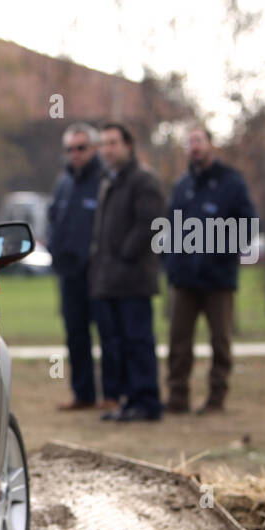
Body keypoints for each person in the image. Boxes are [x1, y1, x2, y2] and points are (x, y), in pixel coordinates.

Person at [163, 125, 258, 414]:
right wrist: (171, 261)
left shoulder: (231, 183)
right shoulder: (182, 185)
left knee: (220, 340)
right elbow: (170, 227)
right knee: (179, 341)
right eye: (189, 142)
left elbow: (249, 225)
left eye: (199, 140)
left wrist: (221, 255)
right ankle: (178, 397)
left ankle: (216, 398)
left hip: (218, 280)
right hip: (184, 280)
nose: (194, 146)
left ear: (210, 144)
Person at [88, 122, 166, 422]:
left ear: (128, 146)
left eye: (112, 143)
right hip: (109, 281)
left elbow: (149, 223)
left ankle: (147, 402)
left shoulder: (143, 180)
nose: (107, 149)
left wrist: (123, 255)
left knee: (137, 341)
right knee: (117, 343)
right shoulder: (109, 181)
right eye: (104, 144)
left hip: (133, 280)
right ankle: (129, 401)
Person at [46, 123, 119, 412]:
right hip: (69, 273)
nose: (75, 154)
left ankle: (112, 394)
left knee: (108, 333)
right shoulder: (64, 182)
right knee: (76, 334)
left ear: (93, 148)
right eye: (70, 149)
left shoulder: (105, 180)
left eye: (80, 148)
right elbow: (53, 219)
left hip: (98, 272)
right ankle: (83, 393)